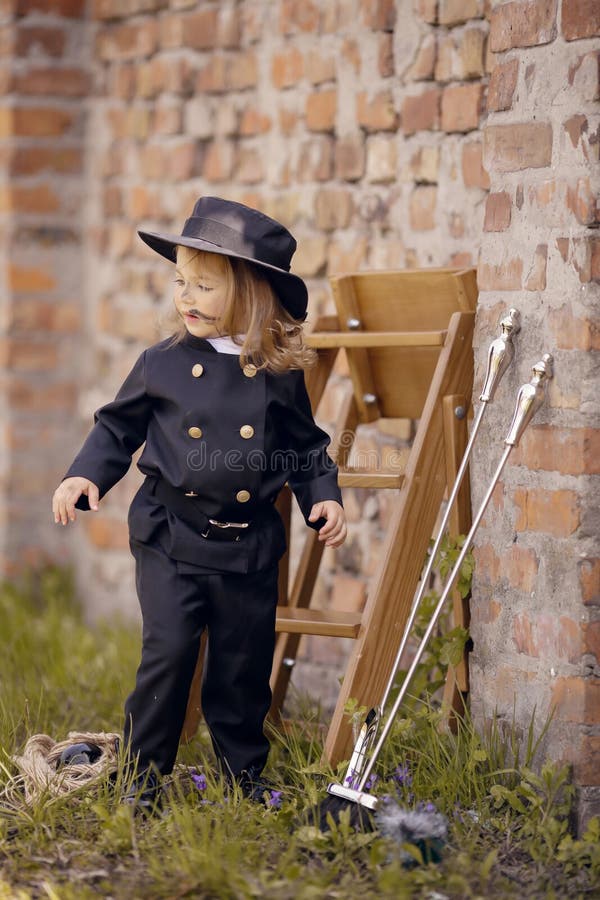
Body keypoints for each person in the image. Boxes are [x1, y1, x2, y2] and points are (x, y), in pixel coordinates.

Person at [52, 196, 347, 813]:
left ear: (251, 295)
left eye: (205, 286)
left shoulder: (276, 375)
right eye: (181, 281)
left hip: (247, 547)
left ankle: (243, 777)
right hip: (171, 535)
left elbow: (307, 447)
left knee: (241, 668)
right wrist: (86, 477)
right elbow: (115, 429)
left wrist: (323, 498)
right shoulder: (159, 364)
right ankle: (142, 778)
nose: (186, 296)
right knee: (169, 654)